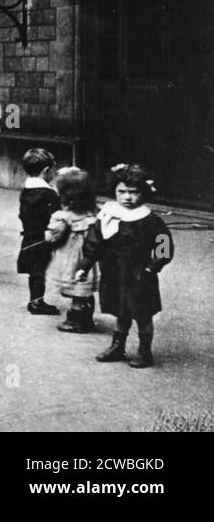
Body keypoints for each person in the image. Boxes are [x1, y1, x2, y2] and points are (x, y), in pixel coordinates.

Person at [75, 164, 173, 368]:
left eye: (133, 192)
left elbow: (163, 246)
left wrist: (151, 267)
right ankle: (117, 346)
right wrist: (84, 265)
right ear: (114, 191)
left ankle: (145, 351)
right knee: (121, 310)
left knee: (142, 313)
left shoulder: (151, 220)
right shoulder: (108, 216)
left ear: (143, 193)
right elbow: (95, 242)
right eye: (122, 192)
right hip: (114, 272)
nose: (127, 197)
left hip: (140, 275)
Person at [44, 166, 99, 331]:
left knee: (75, 289)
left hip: (70, 258)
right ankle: (87, 314)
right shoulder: (92, 215)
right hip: (88, 258)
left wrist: (48, 235)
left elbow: (52, 237)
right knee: (83, 287)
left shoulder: (63, 217)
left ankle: (76, 319)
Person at [16, 148, 61, 316]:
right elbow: (56, 215)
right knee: (39, 271)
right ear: (46, 170)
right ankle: (36, 302)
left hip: (29, 235)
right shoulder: (48, 193)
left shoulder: (26, 189)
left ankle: (34, 299)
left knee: (35, 272)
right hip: (43, 237)